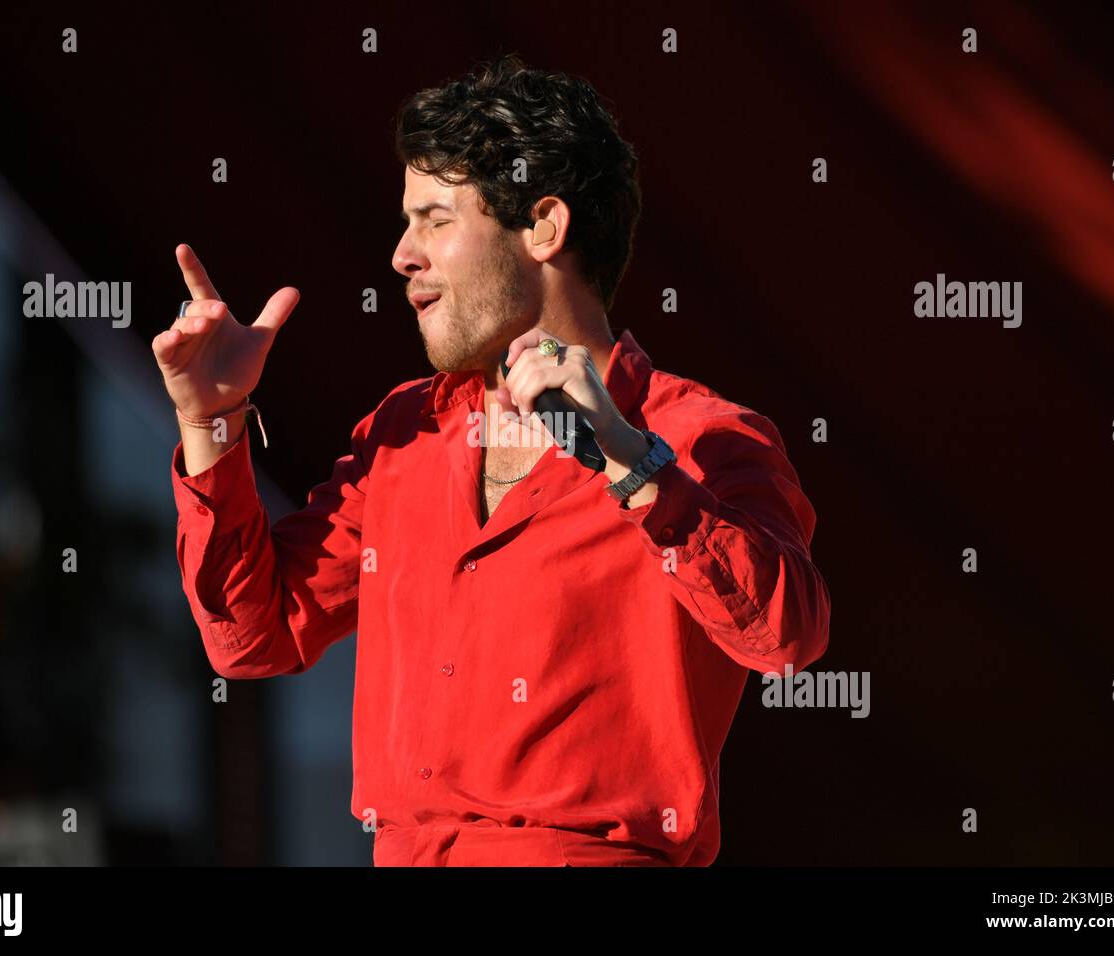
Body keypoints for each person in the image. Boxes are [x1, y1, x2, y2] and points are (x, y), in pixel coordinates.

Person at [152, 54, 831, 866]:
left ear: (544, 226)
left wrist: (632, 464)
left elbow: (786, 639)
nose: (403, 255)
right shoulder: (403, 434)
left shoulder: (699, 436)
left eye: (435, 219)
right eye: (406, 222)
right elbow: (252, 636)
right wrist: (213, 422)